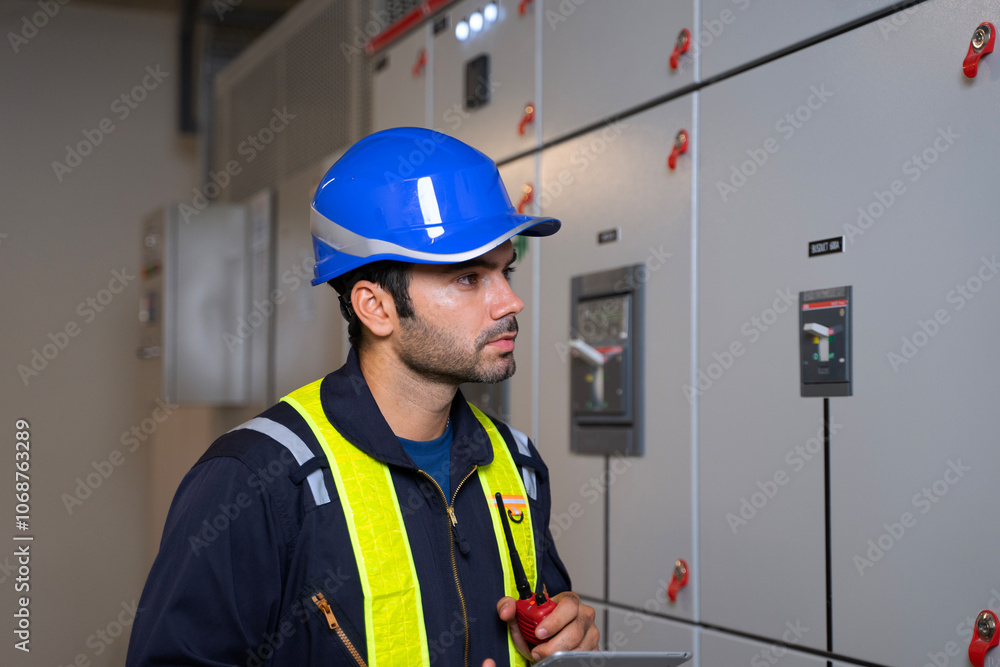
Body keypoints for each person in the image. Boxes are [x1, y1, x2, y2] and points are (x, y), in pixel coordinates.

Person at [126, 127, 599, 667]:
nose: (510, 301)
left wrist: (569, 642)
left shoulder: (517, 464)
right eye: (469, 278)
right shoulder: (253, 479)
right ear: (375, 308)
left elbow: (542, 636)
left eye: (504, 271)